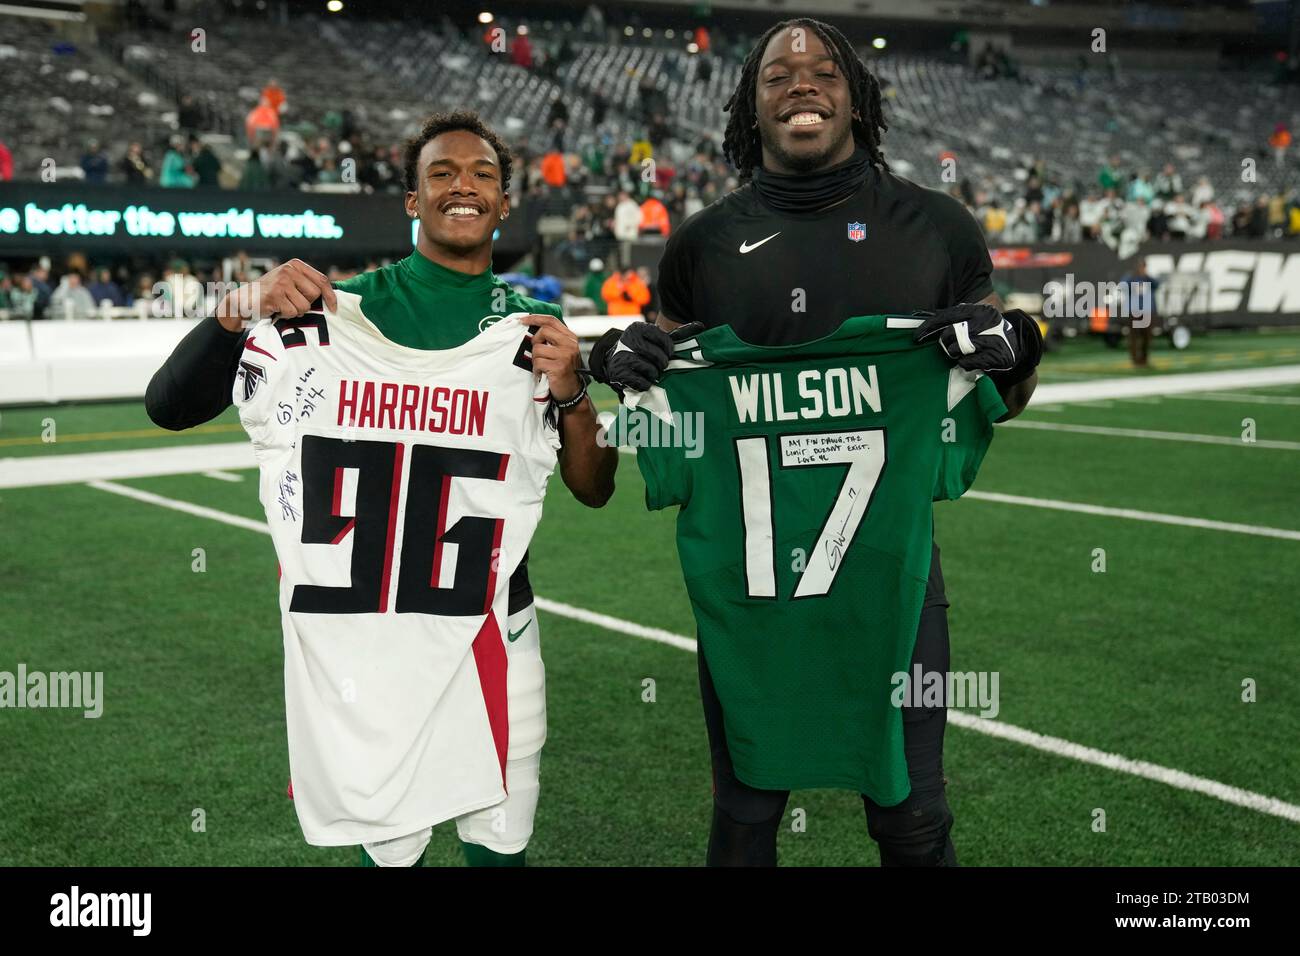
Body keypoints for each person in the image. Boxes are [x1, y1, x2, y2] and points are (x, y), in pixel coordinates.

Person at [590, 17, 1040, 868]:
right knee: (745, 813)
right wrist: (617, 363)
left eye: (826, 71)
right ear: (748, 106)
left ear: (857, 99)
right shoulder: (701, 244)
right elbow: (664, 403)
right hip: (750, 588)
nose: (803, 83)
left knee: (912, 819)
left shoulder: (938, 228)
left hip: (896, 584)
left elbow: (997, 395)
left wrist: (1018, 356)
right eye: (778, 74)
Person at [145, 109, 616, 868]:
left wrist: (573, 394)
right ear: (410, 200)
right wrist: (238, 306)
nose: (463, 186)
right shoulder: (329, 316)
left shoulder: (531, 334)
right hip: (367, 643)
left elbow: (595, 488)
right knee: (392, 852)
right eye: (441, 173)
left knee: (500, 841)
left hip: (490, 628)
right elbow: (168, 406)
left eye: (484, 176)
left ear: (505, 204)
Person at [1120, 258, 1157, 368]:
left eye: (1144, 267)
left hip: (1146, 311)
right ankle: (1135, 361)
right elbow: (1122, 286)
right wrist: (1133, 279)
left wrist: (1146, 277)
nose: (1142, 269)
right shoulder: (1130, 277)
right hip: (1134, 311)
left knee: (1147, 337)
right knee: (1134, 337)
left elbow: (1157, 284)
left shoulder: (1148, 279)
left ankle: (1144, 360)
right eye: (1141, 267)